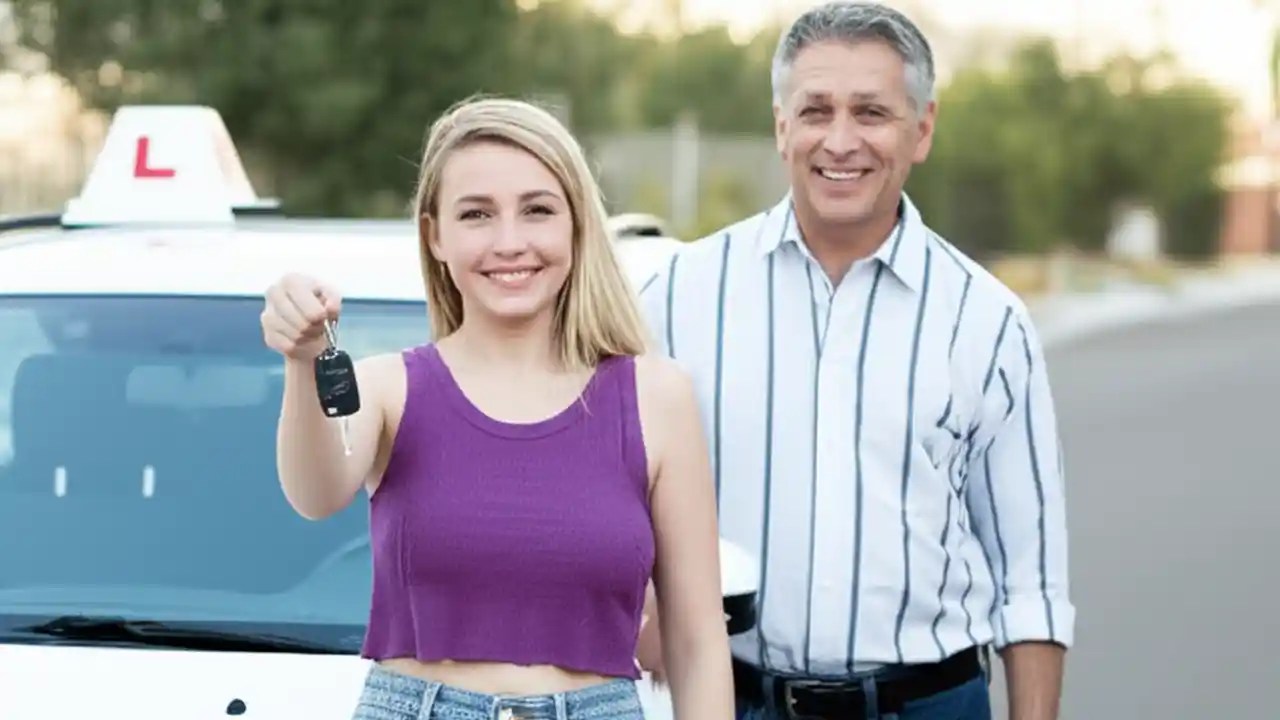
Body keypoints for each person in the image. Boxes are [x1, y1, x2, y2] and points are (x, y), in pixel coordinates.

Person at [635, 3, 1074, 719]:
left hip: (929, 704)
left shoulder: (989, 322)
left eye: (871, 112)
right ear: (782, 126)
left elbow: (1031, 584)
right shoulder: (676, 299)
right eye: (816, 111)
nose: (840, 141)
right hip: (731, 701)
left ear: (921, 129)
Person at [261, 96, 734, 720]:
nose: (510, 242)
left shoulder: (657, 397)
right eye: (477, 214)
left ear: (576, 226)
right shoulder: (386, 388)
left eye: (537, 210)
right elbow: (314, 494)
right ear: (434, 235)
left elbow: (697, 642)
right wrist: (304, 361)